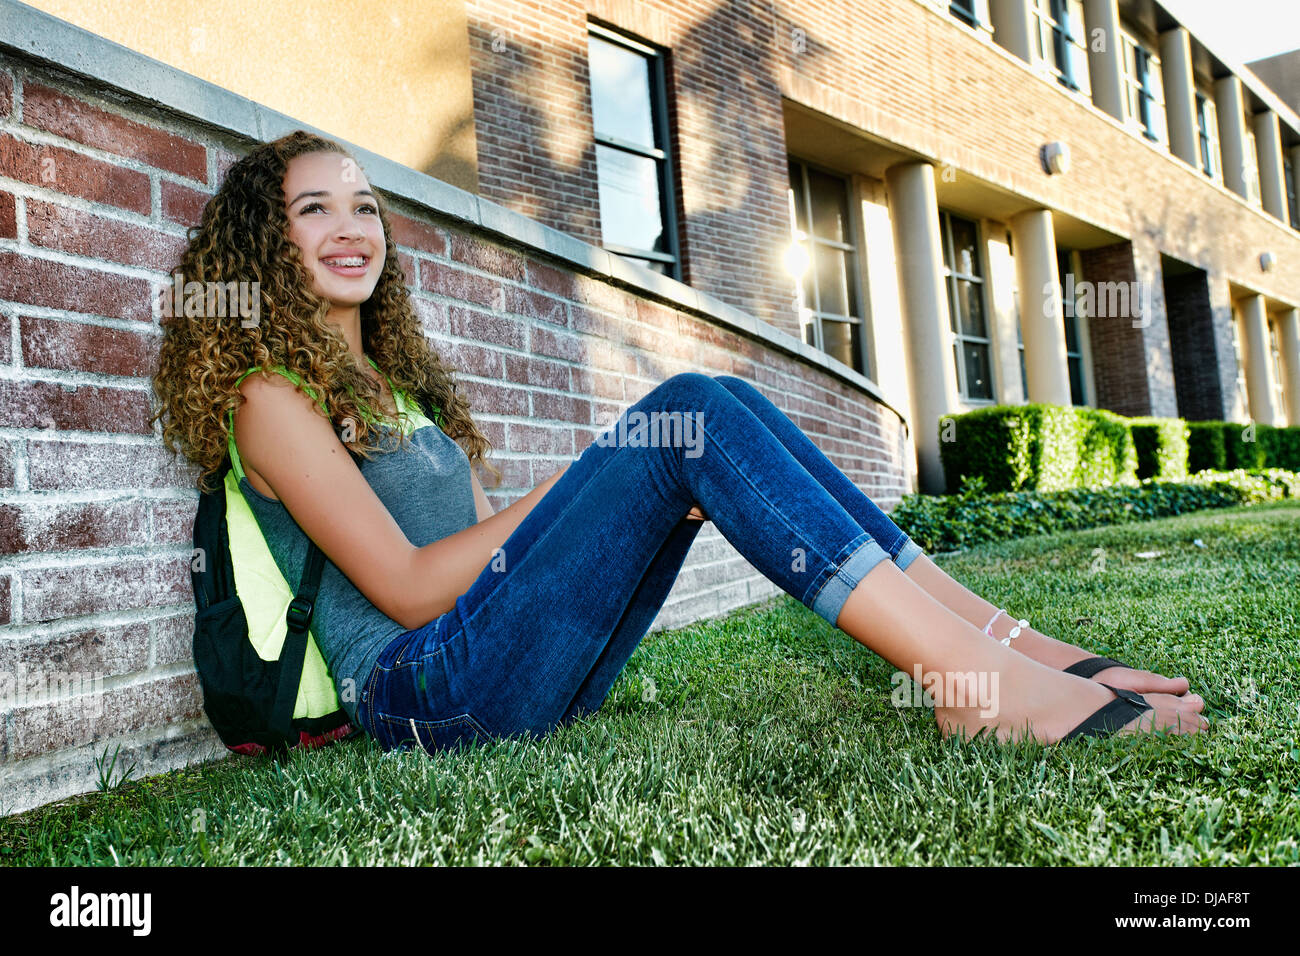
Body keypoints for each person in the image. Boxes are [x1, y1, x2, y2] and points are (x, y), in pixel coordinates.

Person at [151, 131, 1206, 756]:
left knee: (716, 403)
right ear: (265, 239)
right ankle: (972, 684)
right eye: (313, 208)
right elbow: (417, 589)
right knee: (688, 411)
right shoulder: (266, 398)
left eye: (367, 207)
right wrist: (594, 479)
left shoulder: (400, 390)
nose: (352, 227)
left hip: (503, 664)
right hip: (422, 694)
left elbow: (497, 562)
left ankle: (1005, 648)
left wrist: (622, 490)